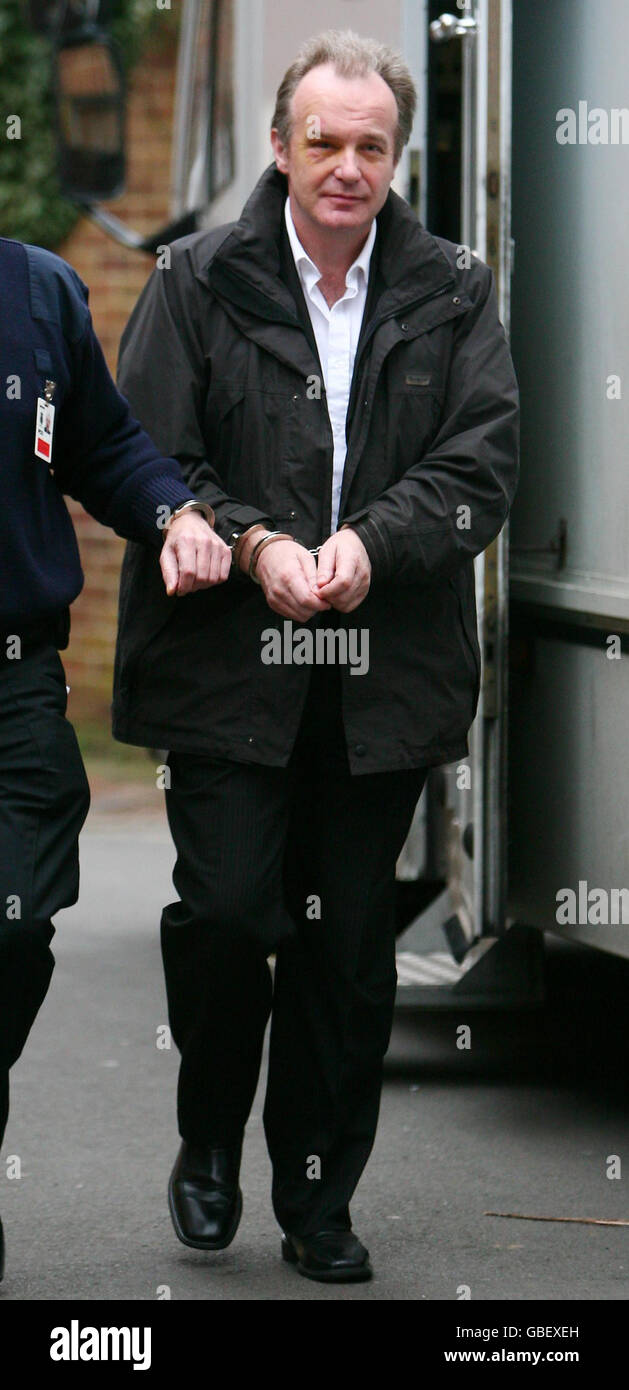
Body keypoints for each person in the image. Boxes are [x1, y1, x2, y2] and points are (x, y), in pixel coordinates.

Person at [112, 28, 519, 1283]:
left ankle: (315, 1197)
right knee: (231, 915)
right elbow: (147, 458)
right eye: (324, 141)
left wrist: (367, 545)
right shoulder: (193, 278)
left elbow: (479, 465)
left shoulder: (454, 286)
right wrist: (249, 543)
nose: (347, 167)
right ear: (282, 146)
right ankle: (205, 1142)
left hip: (381, 673)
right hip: (227, 669)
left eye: (372, 147)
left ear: (395, 158)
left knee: (347, 951)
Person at [0, 235, 231, 1282]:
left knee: (17, 924)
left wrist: (174, 511)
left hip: (15, 676)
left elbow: (104, 445)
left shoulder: (38, 289)